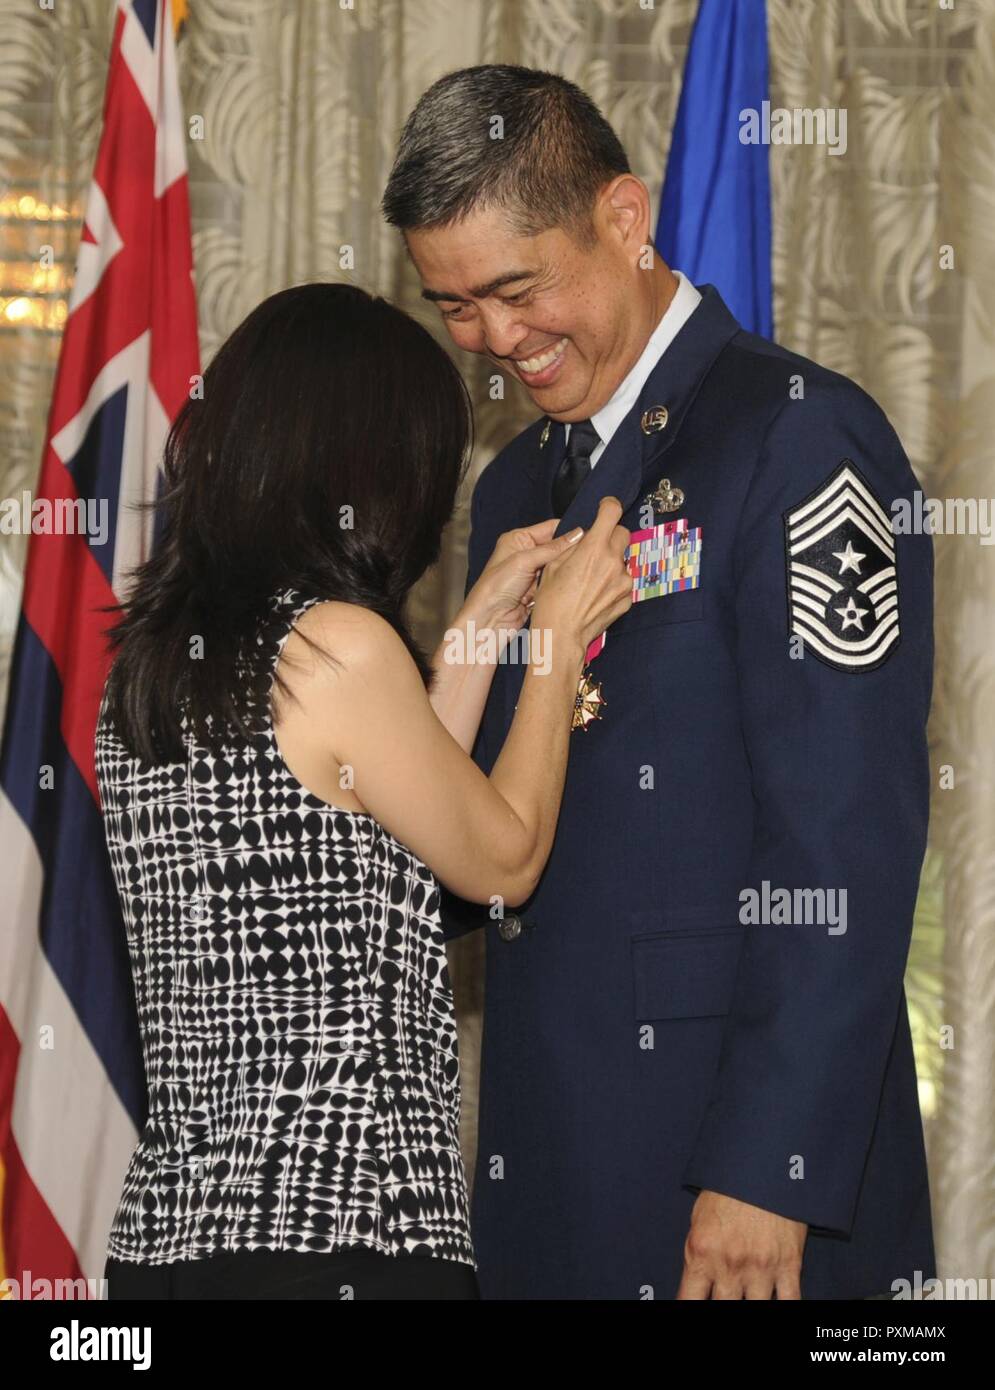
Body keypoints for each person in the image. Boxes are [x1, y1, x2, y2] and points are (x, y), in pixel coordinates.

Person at [382, 64, 936, 1300]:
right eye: (454, 306)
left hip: (726, 1173)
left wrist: (769, 1169)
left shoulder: (796, 434)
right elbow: (482, 836)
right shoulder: (517, 486)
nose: (494, 339)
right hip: (550, 1149)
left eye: (515, 289)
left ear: (624, 221)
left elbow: (843, 837)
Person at [94, 281, 632, 1300]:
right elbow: (502, 853)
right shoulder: (337, 646)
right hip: (346, 1233)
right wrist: (554, 646)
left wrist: (480, 626)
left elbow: (374, 820)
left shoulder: (154, 670)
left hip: (176, 1248)